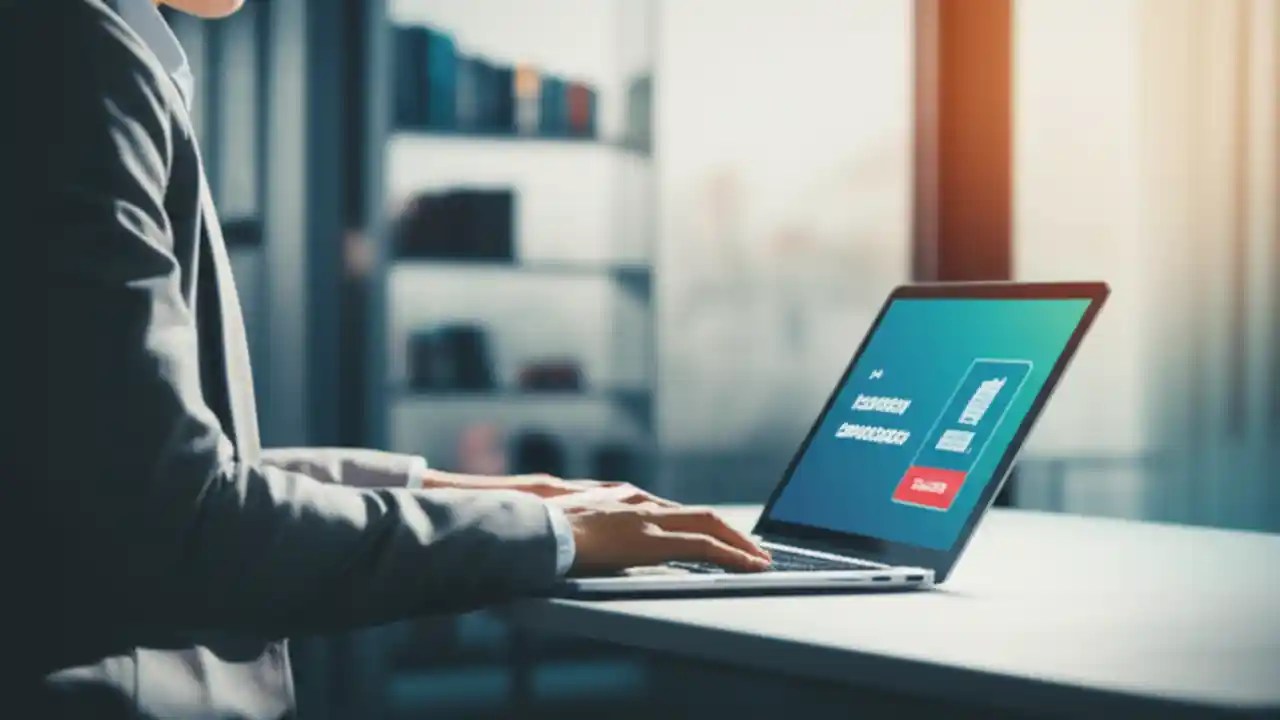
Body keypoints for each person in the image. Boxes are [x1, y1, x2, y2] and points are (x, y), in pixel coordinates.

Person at [11, 0, 770, 716]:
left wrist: (472, 492)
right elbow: (174, 522)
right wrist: (544, 533)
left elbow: (124, 475)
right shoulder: (78, 63)